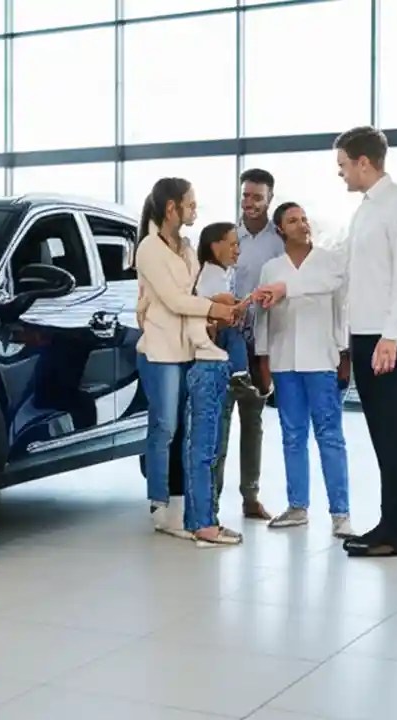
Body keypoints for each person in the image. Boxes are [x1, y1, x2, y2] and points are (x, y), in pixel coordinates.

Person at [256, 127, 397, 558]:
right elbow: (340, 274)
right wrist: (285, 289)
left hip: (389, 339)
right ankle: (388, 526)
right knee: (383, 439)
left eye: (343, 166)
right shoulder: (366, 211)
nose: (341, 174)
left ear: (363, 162)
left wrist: (391, 336)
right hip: (368, 335)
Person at [134, 178, 238, 539]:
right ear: (170, 208)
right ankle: (160, 506)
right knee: (164, 428)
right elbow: (176, 301)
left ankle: (178, 505)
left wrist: (214, 308)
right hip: (160, 351)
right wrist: (213, 308)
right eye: (190, 205)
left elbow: (188, 294)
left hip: (187, 349)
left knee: (182, 428)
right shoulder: (148, 248)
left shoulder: (188, 248)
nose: (195, 210)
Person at [253, 202, 355, 538]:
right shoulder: (271, 268)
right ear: (280, 229)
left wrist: (344, 352)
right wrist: (263, 358)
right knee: (292, 436)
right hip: (284, 362)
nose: (302, 224)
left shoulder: (330, 262)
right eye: (293, 220)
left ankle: (341, 513)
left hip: (322, 360)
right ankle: (297, 506)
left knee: (330, 437)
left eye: (304, 218)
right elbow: (263, 318)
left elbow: (339, 307)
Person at [227, 168, 284, 521]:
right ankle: (209, 501)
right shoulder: (226, 237)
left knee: (253, 421)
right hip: (226, 340)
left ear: (269, 199)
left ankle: (250, 497)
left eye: (256, 197)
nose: (249, 203)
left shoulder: (279, 242)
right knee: (218, 421)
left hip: (261, 343)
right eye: (245, 195)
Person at [193, 222, 253, 519]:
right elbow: (216, 311)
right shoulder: (211, 274)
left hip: (219, 356)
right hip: (213, 359)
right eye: (232, 243)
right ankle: (206, 510)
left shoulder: (224, 273)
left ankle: (210, 508)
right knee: (214, 439)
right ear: (215, 246)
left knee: (219, 438)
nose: (237, 249)